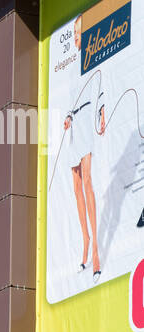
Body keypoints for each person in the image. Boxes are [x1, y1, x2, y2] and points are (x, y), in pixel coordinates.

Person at [62, 17, 106, 280]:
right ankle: (85, 240)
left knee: (88, 182)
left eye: (77, 33)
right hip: (74, 124)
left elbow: (99, 86)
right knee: (76, 186)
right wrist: (67, 117)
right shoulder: (71, 67)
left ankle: (97, 251)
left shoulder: (94, 57)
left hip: (87, 120)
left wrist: (101, 111)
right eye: (74, 34)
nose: (75, 38)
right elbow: (70, 97)